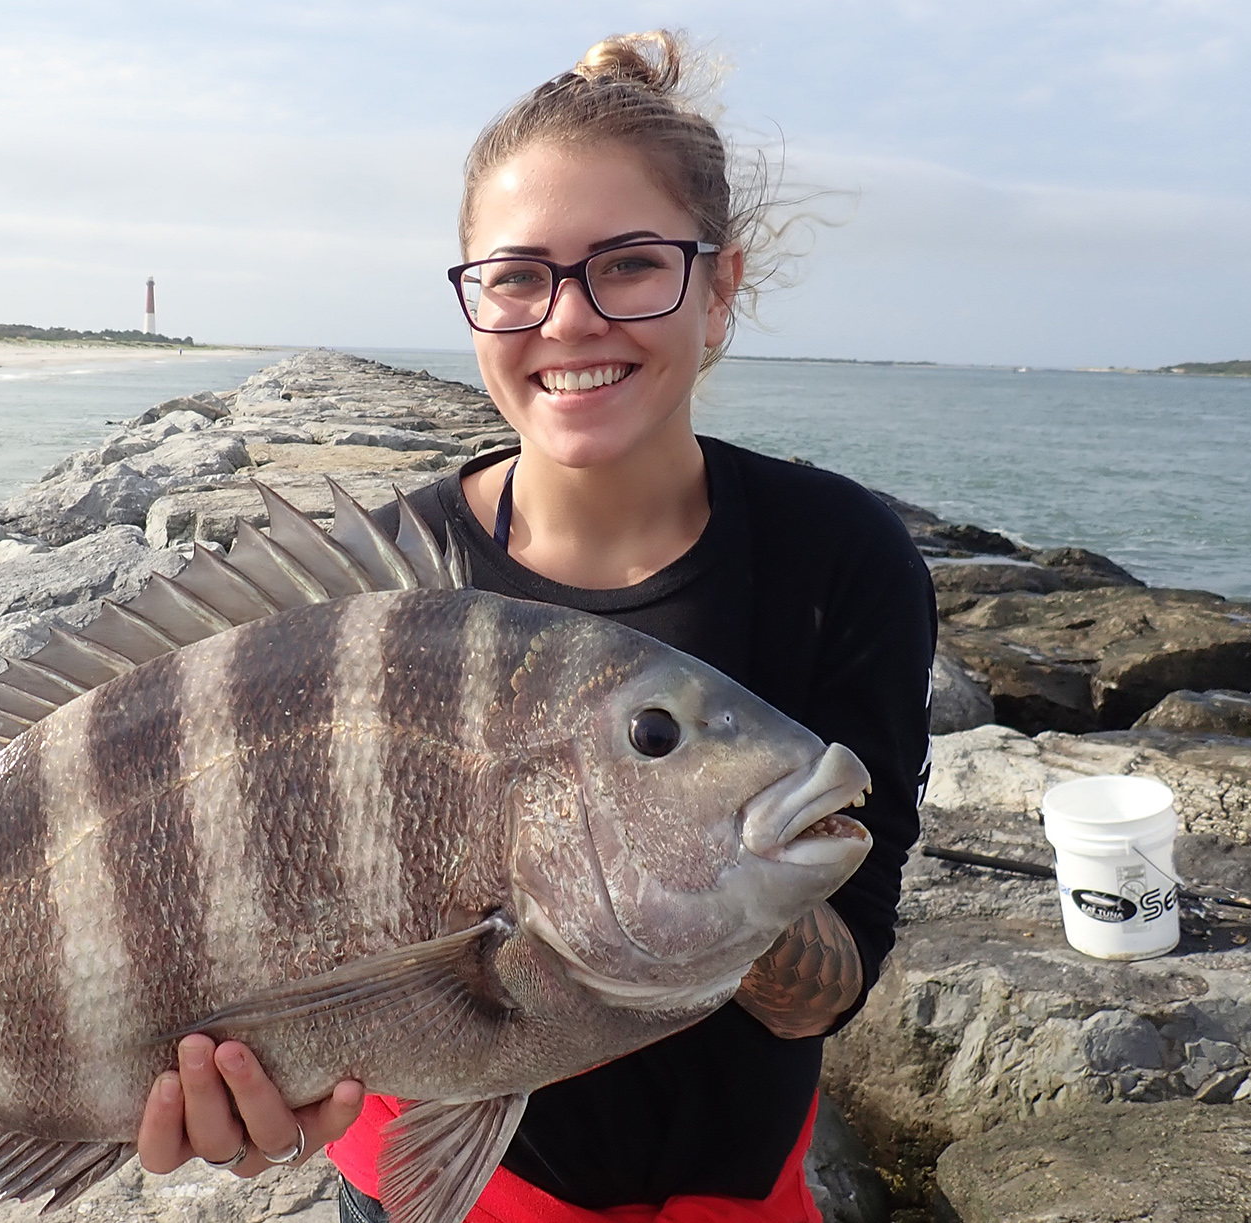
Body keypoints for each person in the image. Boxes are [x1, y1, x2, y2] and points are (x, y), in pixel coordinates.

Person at [136, 31, 934, 1223]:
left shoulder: (837, 556)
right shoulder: (372, 600)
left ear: (718, 286)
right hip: (434, 1190)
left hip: (735, 1190)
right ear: (470, 301)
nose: (566, 320)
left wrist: (685, 885)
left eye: (626, 265)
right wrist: (247, 1086)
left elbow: (837, 973)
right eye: (515, 276)